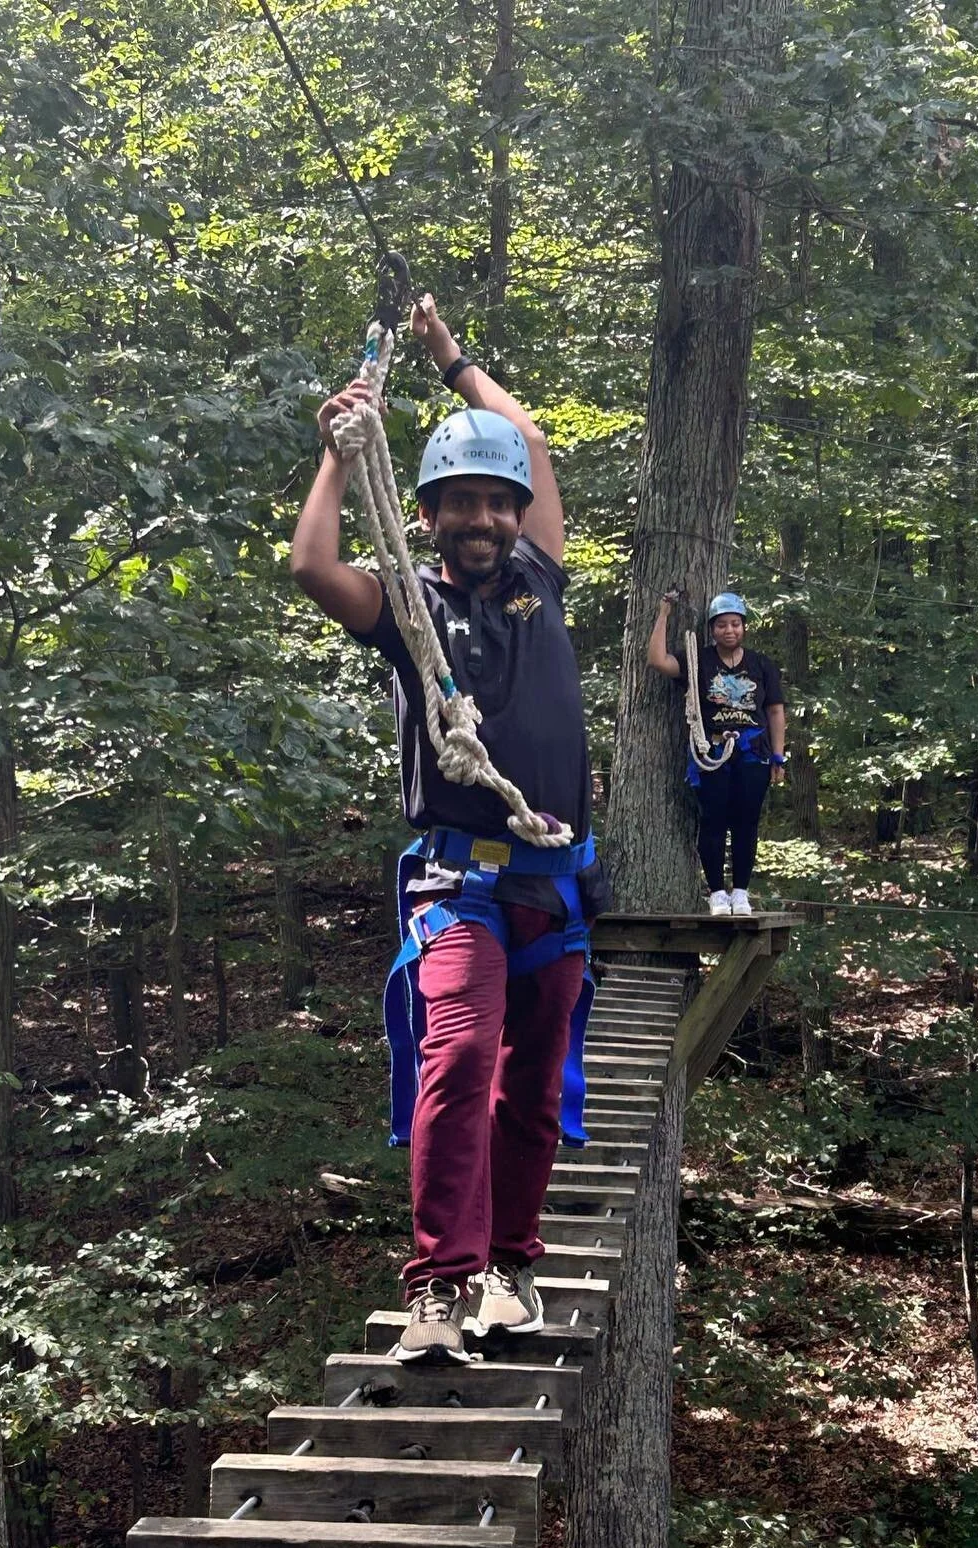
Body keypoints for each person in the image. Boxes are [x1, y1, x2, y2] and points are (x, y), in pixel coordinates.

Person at [291, 294, 605, 1363]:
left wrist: (450, 358)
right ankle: (438, 1291)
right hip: (458, 882)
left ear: (515, 516)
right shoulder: (406, 612)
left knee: (531, 1087)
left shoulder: (540, 585)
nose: (482, 521)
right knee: (460, 1056)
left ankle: (512, 1272)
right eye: (460, 506)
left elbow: (533, 443)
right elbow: (311, 568)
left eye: (495, 505)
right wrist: (345, 448)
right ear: (426, 514)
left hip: (553, 883)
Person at [647, 589, 787, 916]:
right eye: (722, 625)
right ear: (712, 629)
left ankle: (740, 891)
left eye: (735, 624)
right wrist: (663, 614)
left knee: (746, 822)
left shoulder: (761, 665)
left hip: (752, 751)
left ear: (744, 627)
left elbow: (776, 711)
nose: (730, 630)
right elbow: (658, 661)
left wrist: (778, 755)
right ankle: (716, 893)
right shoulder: (700, 660)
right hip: (711, 748)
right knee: (713, 821)